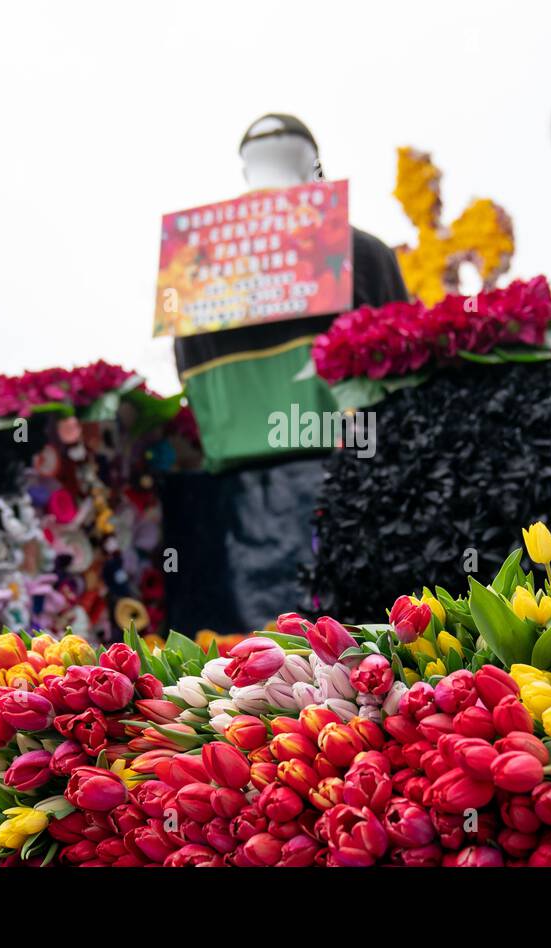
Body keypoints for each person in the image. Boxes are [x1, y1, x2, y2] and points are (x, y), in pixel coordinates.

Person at [162, 113, 407, 634]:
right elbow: (404, 378)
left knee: (240, 692)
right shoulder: (363, 253)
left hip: (233, 517)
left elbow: (187, 375)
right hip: (351, 483)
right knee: (360, 679)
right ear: (312, 164)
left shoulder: (193, 269)